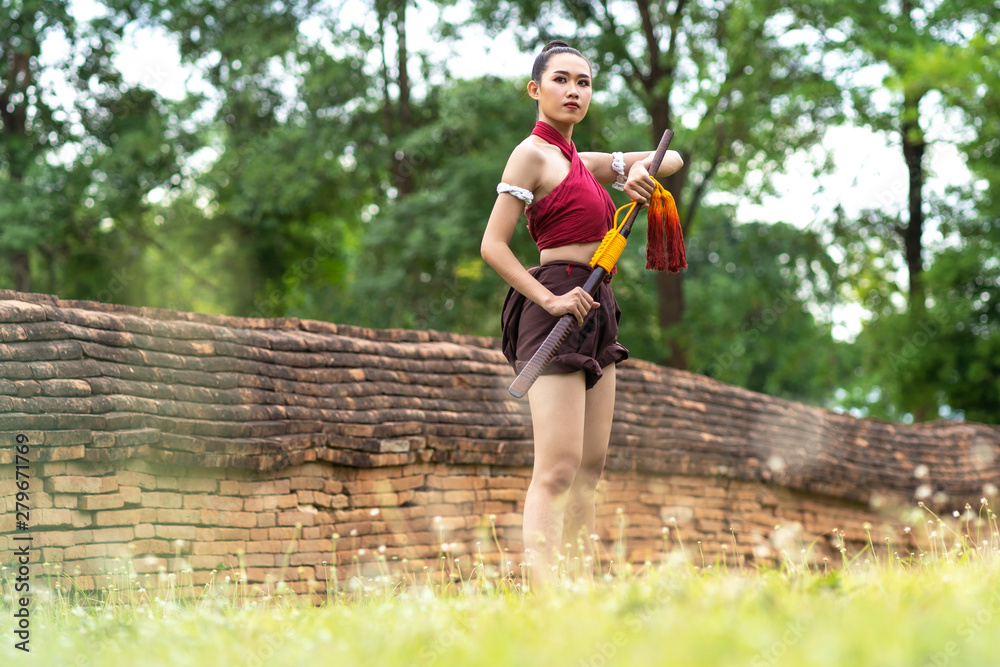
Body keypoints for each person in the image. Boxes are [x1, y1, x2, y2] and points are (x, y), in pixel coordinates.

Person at [480, 40, 685, 590]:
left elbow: (673, 158)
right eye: (562, 80)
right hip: (555, 304)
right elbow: (492, 246)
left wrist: (642, 177)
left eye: (585, 82)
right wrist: (547, 301)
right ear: (536, 89)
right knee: (558, 468)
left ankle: (581, 589)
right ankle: (547, 598)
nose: (573, 91)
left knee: (591, 467)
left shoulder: (583, 161)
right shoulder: (532, 154)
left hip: (598, 305)